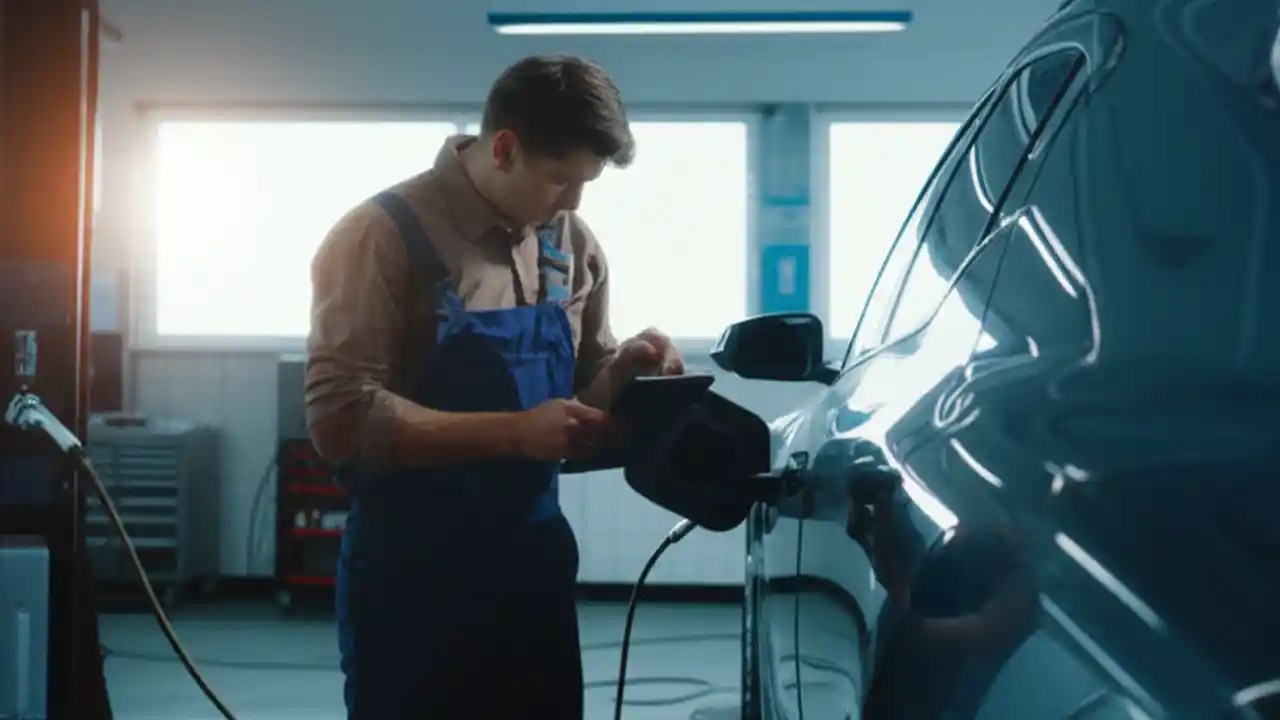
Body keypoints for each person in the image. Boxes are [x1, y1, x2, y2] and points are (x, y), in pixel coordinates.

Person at [304, 54, 684, 719]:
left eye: (586, 183)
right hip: (414, 577)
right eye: (561, 179)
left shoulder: (572, 244)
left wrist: (624, 373)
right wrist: (515, 433)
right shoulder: (381, 235)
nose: (573, 202)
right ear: (504, 149)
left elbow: (579, 400)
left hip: (533, 566)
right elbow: (341, 417)